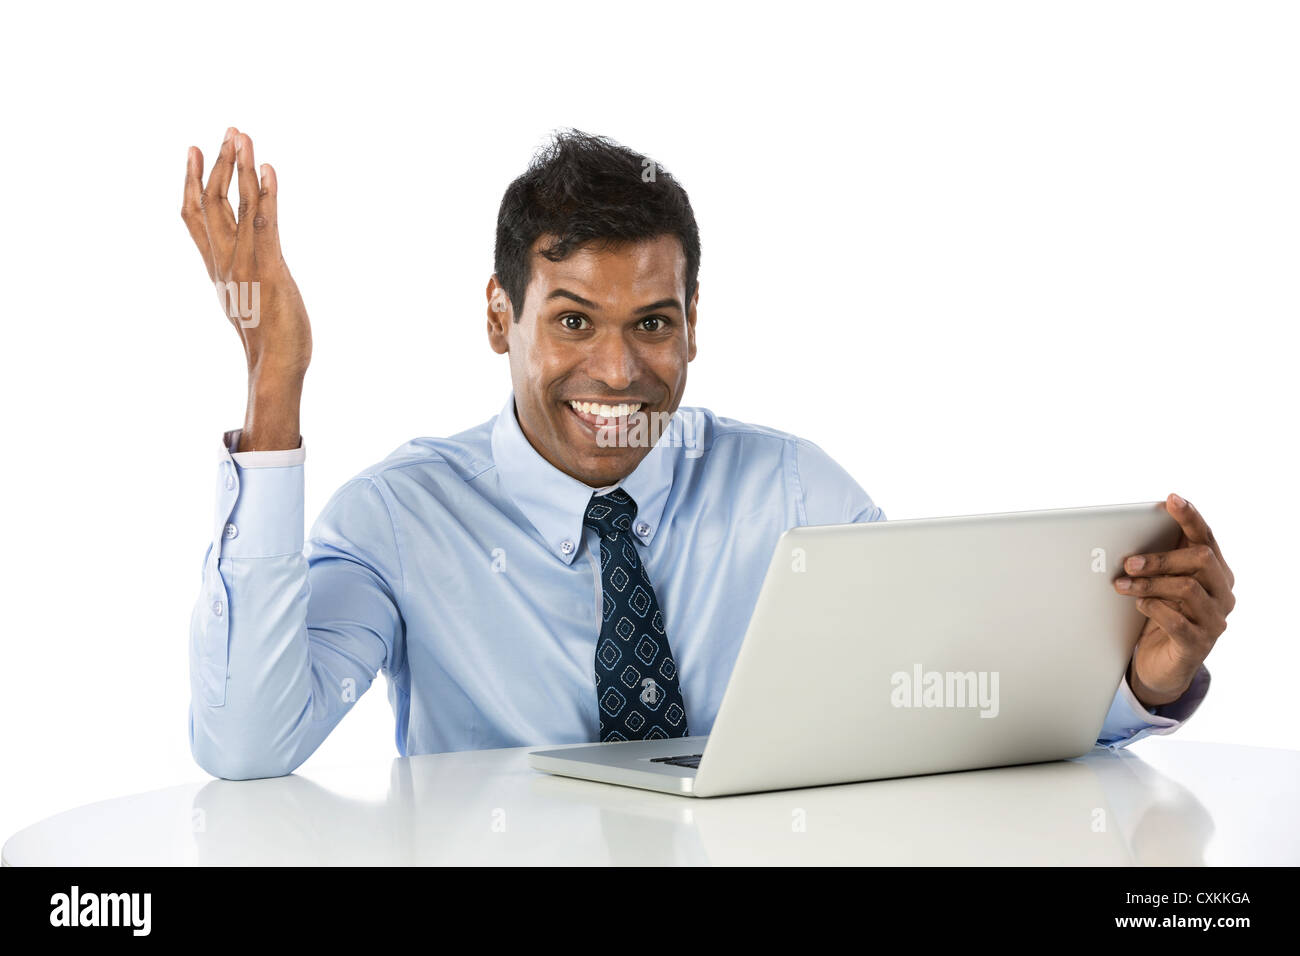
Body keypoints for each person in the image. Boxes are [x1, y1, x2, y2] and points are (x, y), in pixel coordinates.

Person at [179, 127, 1234, 780]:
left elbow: (943, 695)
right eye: (574, 322)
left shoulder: (790, 490)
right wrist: (276, 384)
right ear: (499, 317)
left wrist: (1140, 681)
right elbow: (248, 742)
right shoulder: (397, 519)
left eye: (652, 322)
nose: (618, 370)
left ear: (693, 321)